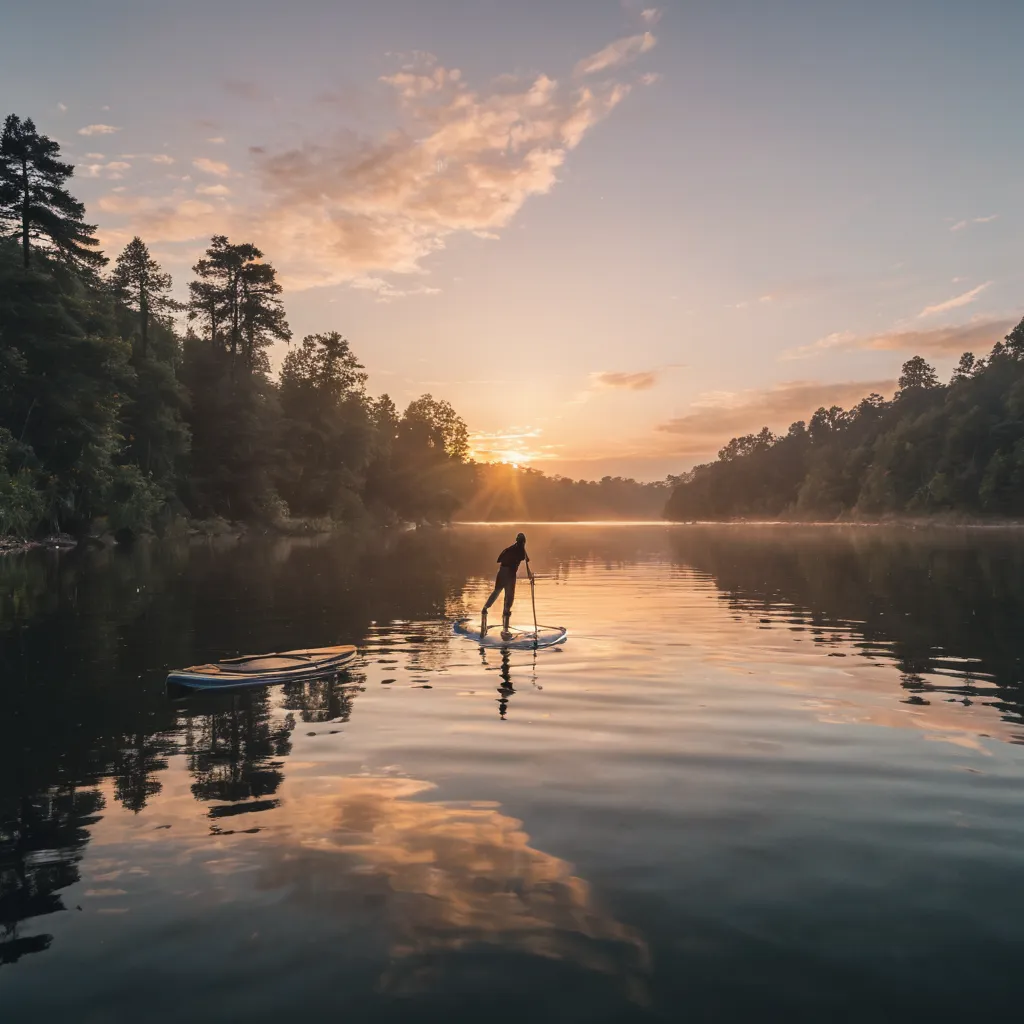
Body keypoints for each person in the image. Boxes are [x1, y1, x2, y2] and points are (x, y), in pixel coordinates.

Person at [481, 532, 532, 638]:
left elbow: (525, 559)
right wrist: (530, 577)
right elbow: (526, 561)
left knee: (497, 591)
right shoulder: (519, 550)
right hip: (509, 574)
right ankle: (505, 627)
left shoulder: (511, 548)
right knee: (509, 598)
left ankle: (485, 609)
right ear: (523, 542)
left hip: (501, 572)